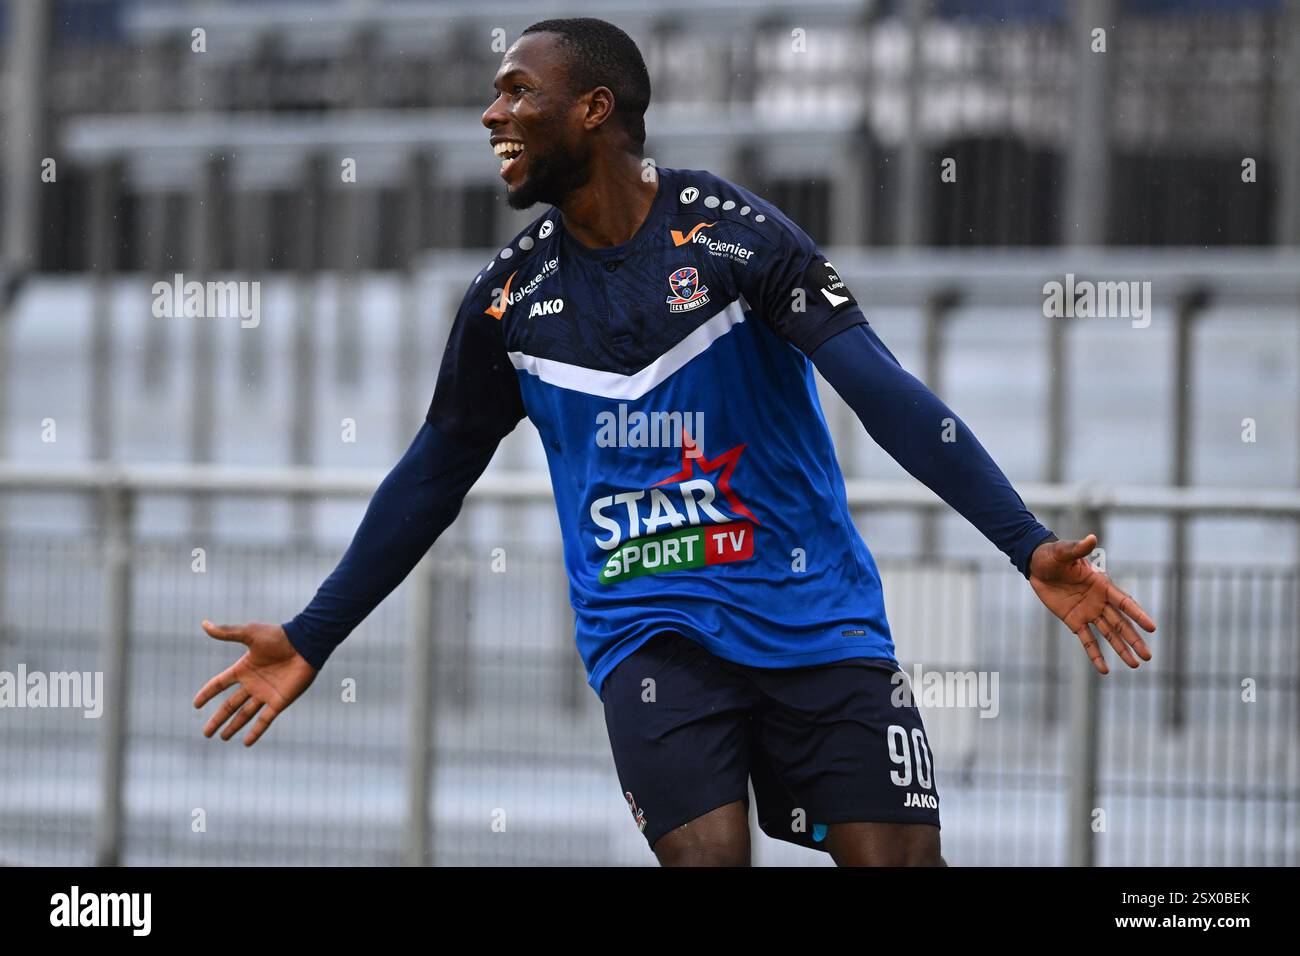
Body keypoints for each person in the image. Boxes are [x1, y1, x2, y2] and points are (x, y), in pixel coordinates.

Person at [194, 17, 1155, 867]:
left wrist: (1026, 542)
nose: (491, 114)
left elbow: (887, 395)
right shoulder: (506, 303)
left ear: (594, 110)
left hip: (814, 615)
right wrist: (314, 634)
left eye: (517, 90)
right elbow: (430, 476)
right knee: (708, 857)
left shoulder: (740, 241)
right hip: (648, 635)